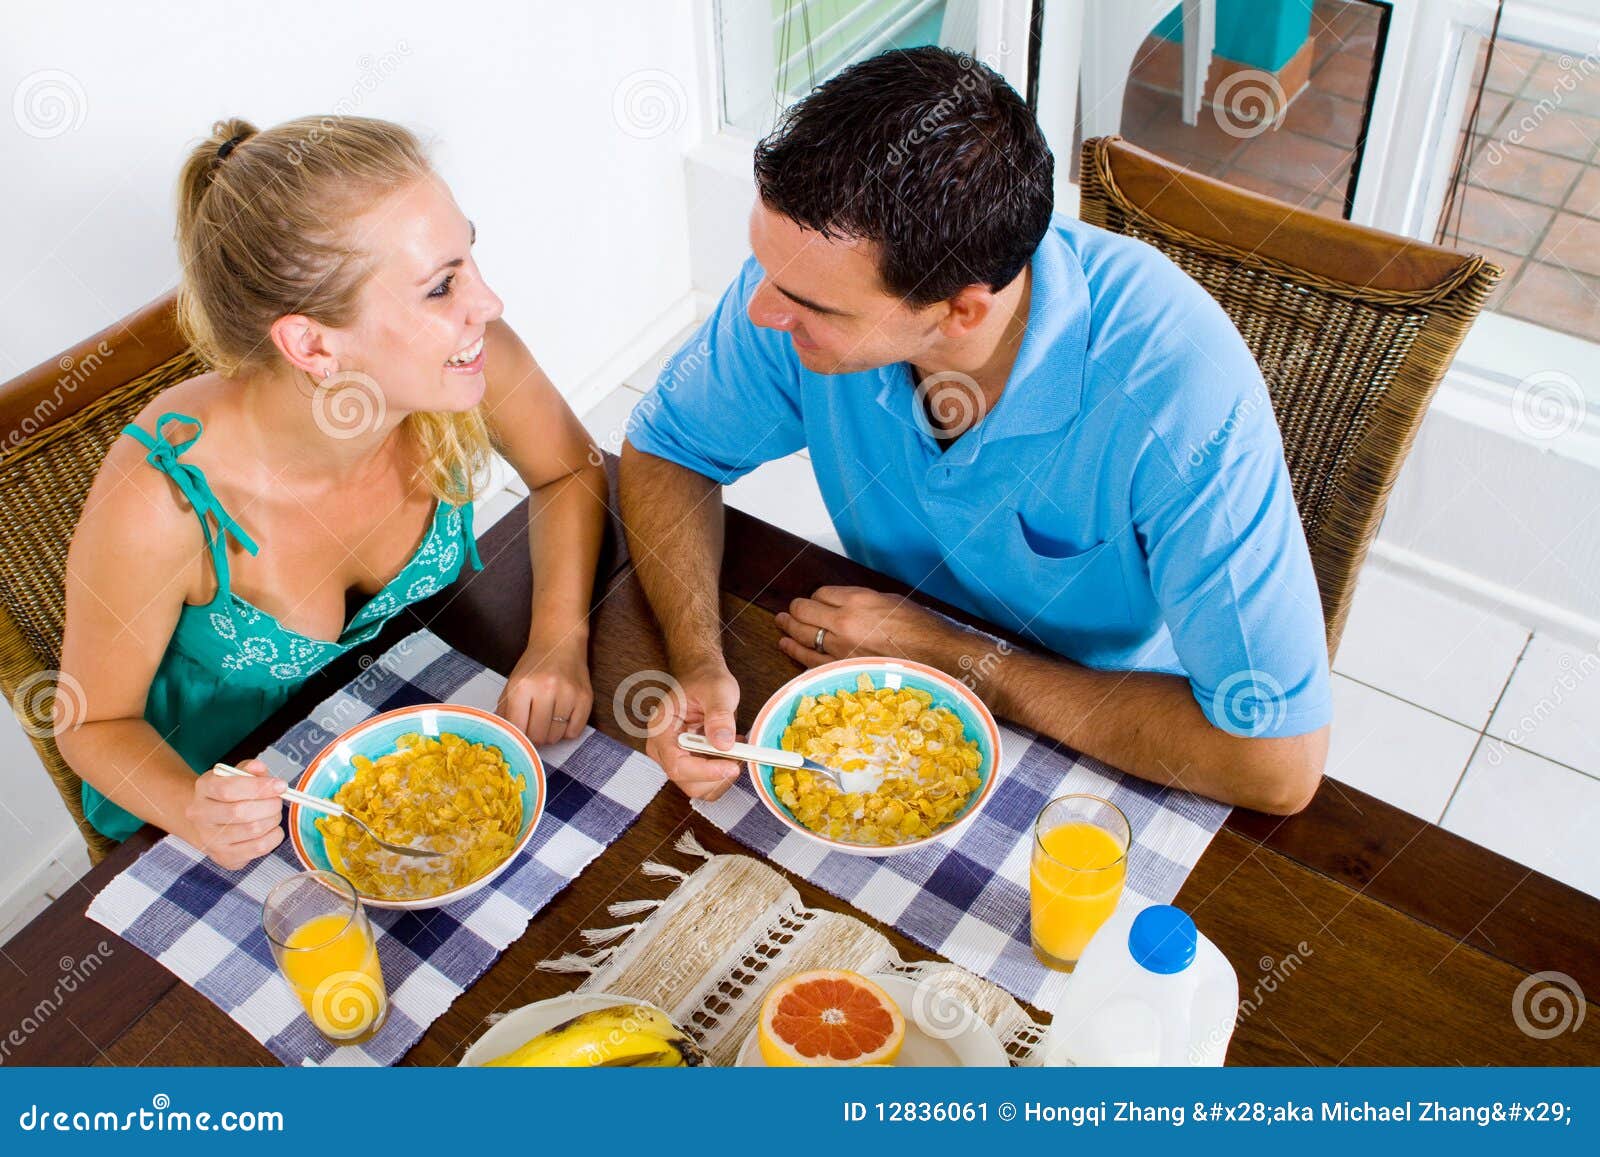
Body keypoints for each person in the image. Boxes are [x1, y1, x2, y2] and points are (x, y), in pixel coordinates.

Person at [619, 48, 1331, 815]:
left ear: (961, 311)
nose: (760, 311)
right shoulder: (805, 273)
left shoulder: (1183, 393)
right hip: (880, 681)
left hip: (1107, 731)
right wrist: (697, 659)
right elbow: (668, 448)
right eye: (766, 270)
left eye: (813, 306)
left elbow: (1277, 764)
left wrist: (950, 656)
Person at [57, 116, 607, 868]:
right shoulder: (160, 500)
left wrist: (558, 639)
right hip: (217, 817)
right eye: (441, 286)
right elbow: (90, 724)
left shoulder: (463, 360)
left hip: (399, 721)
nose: (489, 303)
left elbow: (570, 469)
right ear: (312, 343)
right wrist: (195, 809)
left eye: (468, 256)